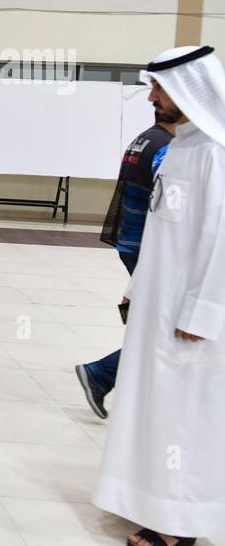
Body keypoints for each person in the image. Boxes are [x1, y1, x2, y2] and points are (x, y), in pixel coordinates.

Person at [92, 45, 225, 546]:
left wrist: (204, 309)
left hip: (189, 318)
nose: (152, 97)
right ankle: (146, 497)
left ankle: (179, 520)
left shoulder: (215, 153)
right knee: (153, 407)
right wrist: (135, 287)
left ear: (188, 91)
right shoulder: (183, 148)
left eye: (158, 88)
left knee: (184, 417)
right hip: (158, 307)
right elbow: (160, 231)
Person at [74, 114, 175, 418]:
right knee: (168, 330)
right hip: (150, 248)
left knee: (158, 326)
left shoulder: (145, 139)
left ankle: (107, 377)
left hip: (133, 243)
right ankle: (102, 374)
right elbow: (167, 209)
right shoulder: (167, 148)